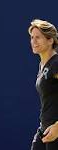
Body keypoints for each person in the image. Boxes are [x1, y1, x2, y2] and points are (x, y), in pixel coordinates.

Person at [28, 19, 58, 150]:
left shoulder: (56, 64)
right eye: (32, 37)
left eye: (38, 37)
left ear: (50, 40)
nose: (33, 41)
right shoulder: (42, 65)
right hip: (44, 129)